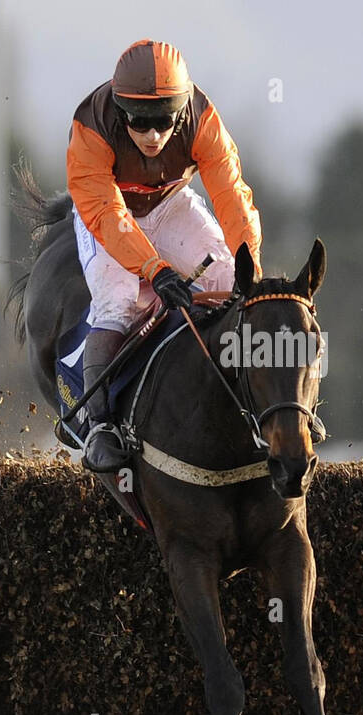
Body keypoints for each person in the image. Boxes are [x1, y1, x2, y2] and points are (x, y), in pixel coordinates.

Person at [67, 39, 262, 472]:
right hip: (108, 212)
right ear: (120, 111)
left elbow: (231, 195)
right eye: (139, 122)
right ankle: (98, 424)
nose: (153, 136)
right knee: (119, 300)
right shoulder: (91, 126)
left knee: (230, 281)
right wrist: (154, 269)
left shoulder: (204, 119)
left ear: (183, 110)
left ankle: (255, 406)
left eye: (164, 122)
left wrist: (252, 266)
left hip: (170, 203)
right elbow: (107, 214)